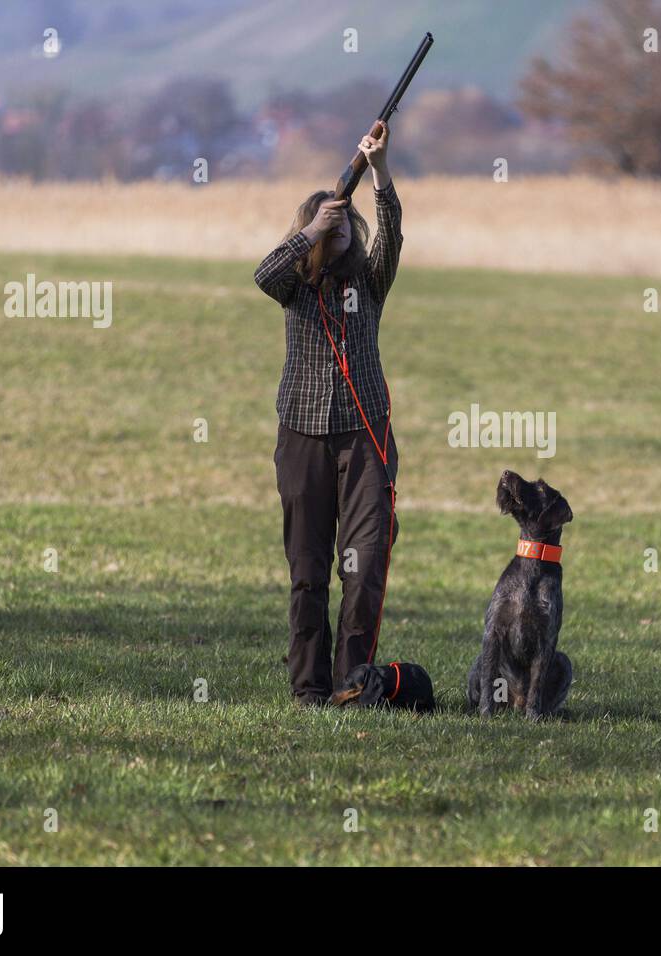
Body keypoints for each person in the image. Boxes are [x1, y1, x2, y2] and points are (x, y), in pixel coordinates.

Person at [253, 122, 402, 706]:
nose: (338, 225)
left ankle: (349, 684)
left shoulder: (369, 281)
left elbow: (390, 234)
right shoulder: (294, 285)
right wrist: (311, 228)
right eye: (327, 221)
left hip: (365, 437)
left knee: (364, 568)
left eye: (343, 219)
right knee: (308, 569)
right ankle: (308, 688)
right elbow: (263, 274)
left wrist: (380, 170)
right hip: (302, 436)